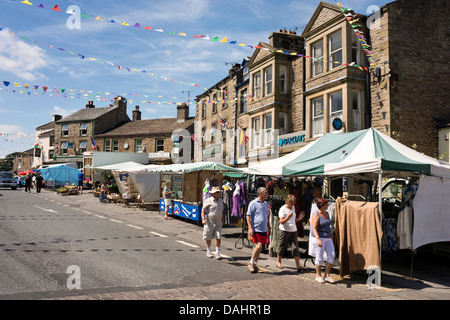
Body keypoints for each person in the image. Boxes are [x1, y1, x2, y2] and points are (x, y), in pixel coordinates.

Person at [277, 194, 306, 272]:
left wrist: (299, 219)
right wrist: (288, 217)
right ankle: (279, 262)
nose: (292, 204)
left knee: (295, 248)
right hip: (284, 230)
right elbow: (281, 221)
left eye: (293, 203)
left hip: (293, 230)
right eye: (291, 203)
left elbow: (293, 220)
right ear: (287, 201)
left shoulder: (293, 207)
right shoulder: (282, 209)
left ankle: (298, 266)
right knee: (282, 246)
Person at [311, 197, 336, 284]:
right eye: (326, 204)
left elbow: (329, 226)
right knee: (319, 257)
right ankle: (318, 275)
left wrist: (331, 236)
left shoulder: (327, 213)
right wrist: (318, 239)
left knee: (331, 255)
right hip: (319, 237)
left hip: (328, 238)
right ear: (321, 205)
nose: (328, 205)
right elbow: (314, 228)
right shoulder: (316, 214)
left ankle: (327, 275)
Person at [246, 187, 271, 273]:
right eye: (266, 192)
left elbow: (267, 216)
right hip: (255, 228)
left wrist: (269, 227)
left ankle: (255, 264)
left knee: (260, 248)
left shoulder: (265, 204)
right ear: (260, 193)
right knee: (259, 245)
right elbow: (248, 215)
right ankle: (251, 263)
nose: (267, 194)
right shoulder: (253, 203)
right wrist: (250, 228)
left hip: (263, 229)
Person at [201, 186, 224, 259]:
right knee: (208, 236)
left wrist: (222, 220)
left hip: (218, 223)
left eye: (218, 192)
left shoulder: (221, 201)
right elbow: (203, 210)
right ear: (213, 194)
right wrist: (203, 219)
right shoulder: (208, 200)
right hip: (209, 222)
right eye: (216, 193)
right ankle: (208, 250)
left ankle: (217, 252)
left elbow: (222, 211)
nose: (218, 194)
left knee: (218, 237)